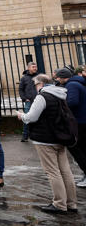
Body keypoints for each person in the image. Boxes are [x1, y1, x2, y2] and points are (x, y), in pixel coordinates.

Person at [17, 74, 78, 214]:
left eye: (35, 85)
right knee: (65, 171)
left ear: (41, 84)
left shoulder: (42, 96)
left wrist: (21, 116)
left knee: (52, 171)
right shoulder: (60, 94)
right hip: (60, 138)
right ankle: (71, 203)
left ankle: (59, 204)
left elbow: (32, 117)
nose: (35, 88)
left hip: (45, 139)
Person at [55, 67, 86, 188]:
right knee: (82, 148)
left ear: (63, 77)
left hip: (79, 122)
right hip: (82, 121)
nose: (57, 79)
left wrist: (61, 109)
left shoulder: (72, 85)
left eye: (58, 77)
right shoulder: (78, 83)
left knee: (76, 148)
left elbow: (72, 102)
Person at [18, 62, 40, 142]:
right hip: (29, 101)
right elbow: (20, 89)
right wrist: (24, 98)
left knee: (39, 117)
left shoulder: (39, 77)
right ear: (29, 68)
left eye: (36, 67)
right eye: (33, 67)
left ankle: (37, 135)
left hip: (38, 100)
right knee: (26, 118)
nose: (35, 68)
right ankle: (25, 136)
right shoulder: (24, 78)